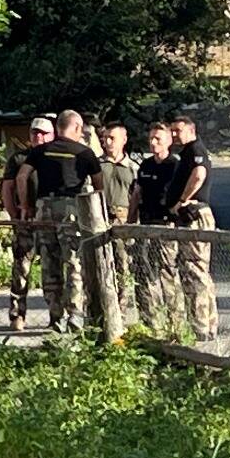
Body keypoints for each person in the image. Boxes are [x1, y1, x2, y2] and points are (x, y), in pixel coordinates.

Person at [25, 109, 102, 332]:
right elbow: (99, 186)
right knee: (73, 261)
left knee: (49, 261)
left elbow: (22, 176)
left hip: (44, 210)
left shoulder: (40, 151)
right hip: (72, 209)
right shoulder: (85, 153)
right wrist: (98, 211)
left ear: (57, 128)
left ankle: (55, 315)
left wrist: (26, 205)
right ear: (77, 128)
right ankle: (75, 314)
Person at [129, 122, 184, 332]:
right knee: (145, 272)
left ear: (169, 141)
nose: (153, 143)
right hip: (146, 223)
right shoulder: (145, 165)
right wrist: (131, 224)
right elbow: (137, 195)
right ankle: (150, 322)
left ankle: (175, 323)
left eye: (158, 139)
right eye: (150, 139)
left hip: (166, 225)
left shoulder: (174, 166)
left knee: (167, 272)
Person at [168, 112, 219, 340]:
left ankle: (200, 326)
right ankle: (208, 324)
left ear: (191, 130)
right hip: (195, 214)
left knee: (194, 270)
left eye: (178, 131)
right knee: (200, 272)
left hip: (194, 215)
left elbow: (199, 174)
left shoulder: (195, 150)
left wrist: (182, 201)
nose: (175, 135)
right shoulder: (189, 152)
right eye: (173, 131)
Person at [0, 117, 52, 332]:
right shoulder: (19, 158)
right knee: (21, 269)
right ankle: (17, 314)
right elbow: (7, 188)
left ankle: (56, 316)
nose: (38, 136)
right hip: (26, 221)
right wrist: (15, 214)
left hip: (50, 221)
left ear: (52, 135)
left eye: (42, 133)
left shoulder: (55, 157)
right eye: (34, 133)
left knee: (52, 270)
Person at [97, 122, 136, 314]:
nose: (108, 142)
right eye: (105, 138)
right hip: (101, 218)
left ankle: (121, 307)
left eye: (112, 138)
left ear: (124, 140)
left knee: (123, 264)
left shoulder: (133, 167)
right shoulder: (97, 165)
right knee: (100, 263)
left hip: (124, 220)